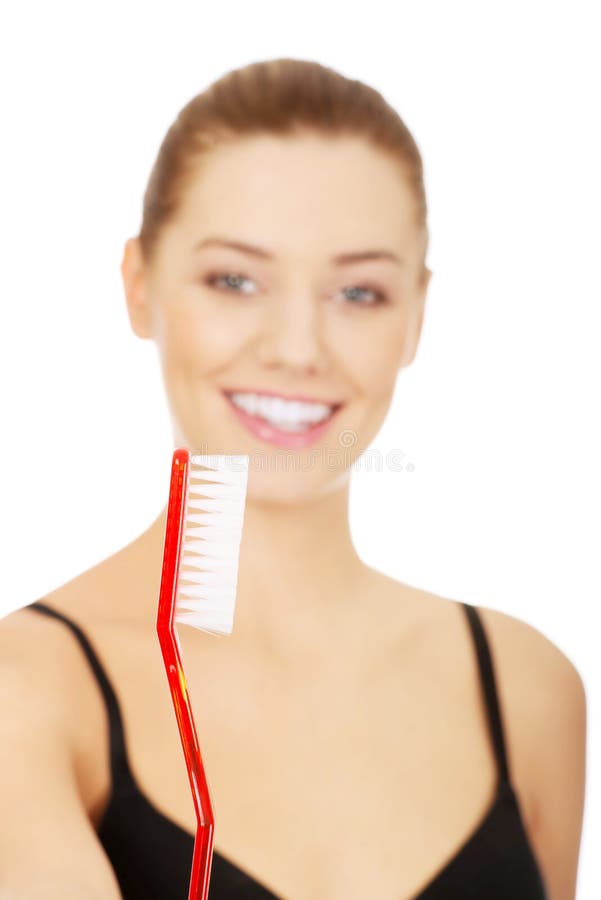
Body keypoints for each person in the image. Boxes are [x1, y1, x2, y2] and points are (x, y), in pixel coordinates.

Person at [0, 58, 586, 900]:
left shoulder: (526, 687)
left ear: (416, 318)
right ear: (138, 285)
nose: (296, 349)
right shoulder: (28, 695)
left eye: (358, 293)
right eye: (234, 280)